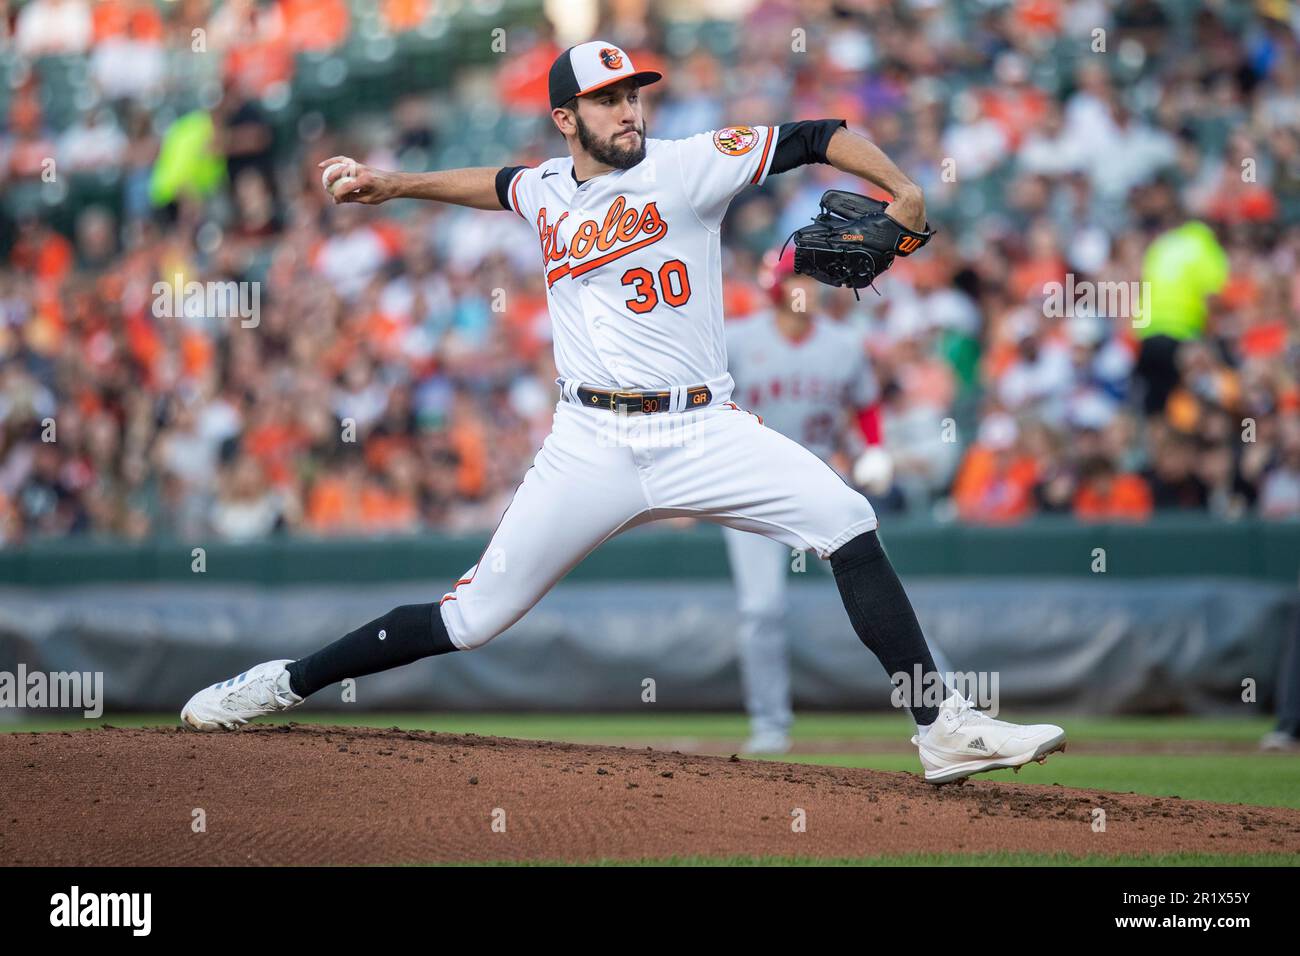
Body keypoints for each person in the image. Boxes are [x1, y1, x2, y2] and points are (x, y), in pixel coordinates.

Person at [181, 41, 1066, 784]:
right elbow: (496, 184)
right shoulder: (545, 191)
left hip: (702, 427)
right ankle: (280, 684)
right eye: (606, 100)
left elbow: (819, 134)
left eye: (631, 94)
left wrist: (903, 191)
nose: (627, 110)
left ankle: (938, 727)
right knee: (471, 620)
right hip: (590, 442)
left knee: (846, 516)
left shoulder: (690, 165)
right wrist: (391, 183)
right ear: (566, 118)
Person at [723, 248, 955, 754]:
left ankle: (947, 704)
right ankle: (770, 724)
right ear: (776, 288)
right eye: (796, 280)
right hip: (748, 483)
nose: (807, 289)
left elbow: (865, 403)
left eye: (812, 281)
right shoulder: (736, 339)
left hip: (819, 478)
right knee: (760, 610)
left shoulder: (845, 344)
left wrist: (873, 448)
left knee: (880, 586)